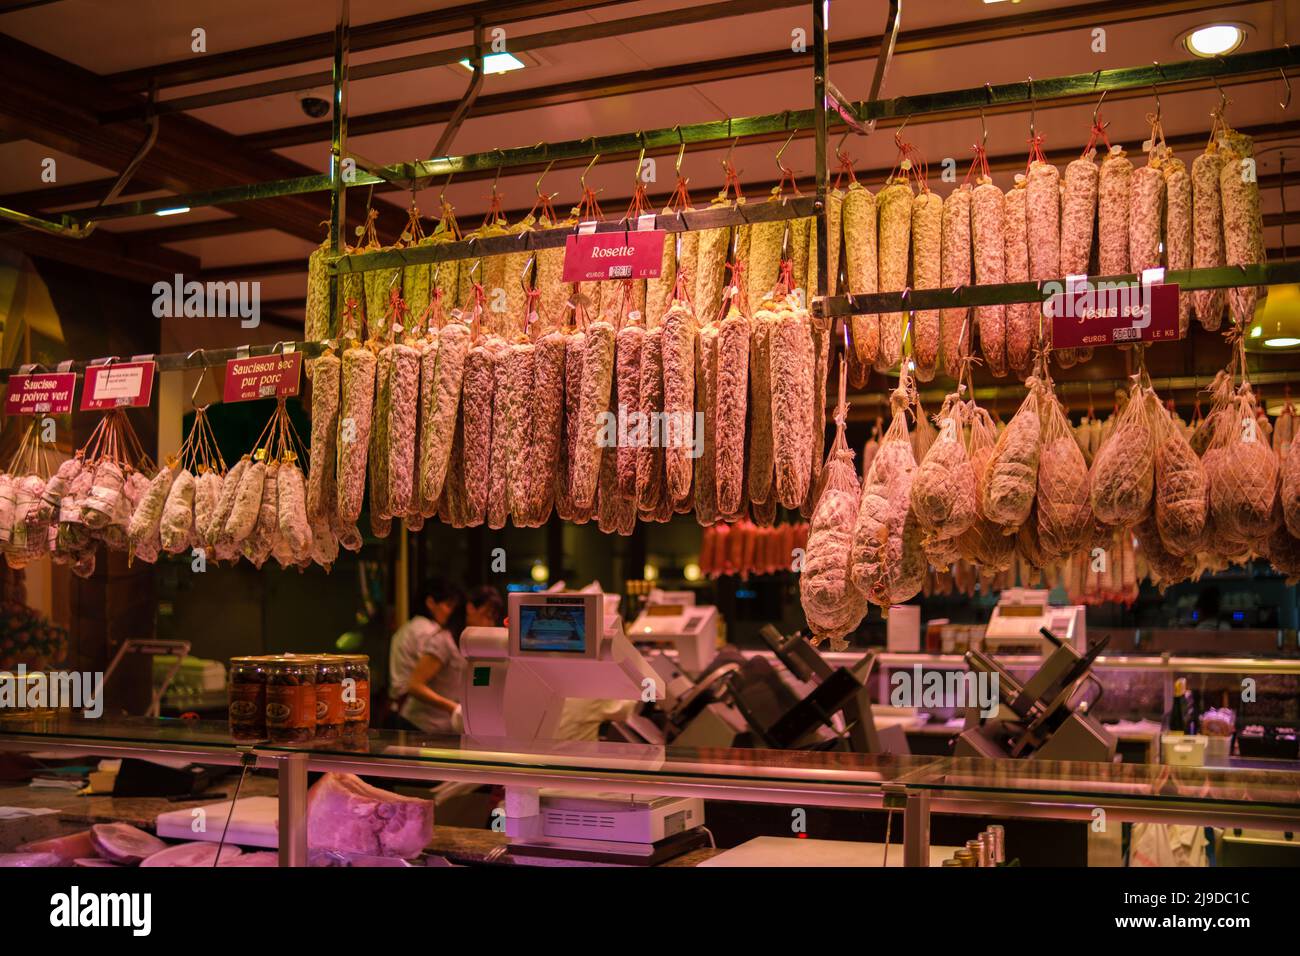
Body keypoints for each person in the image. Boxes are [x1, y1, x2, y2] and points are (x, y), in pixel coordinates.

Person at [388, 580, 466, 734]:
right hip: (417, 713)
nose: (450, 612)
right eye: (448, 605)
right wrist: (454, 707)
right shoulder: (431, 632)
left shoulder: (407, 627)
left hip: (399, 707)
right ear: (431, 603)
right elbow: (418, 681)